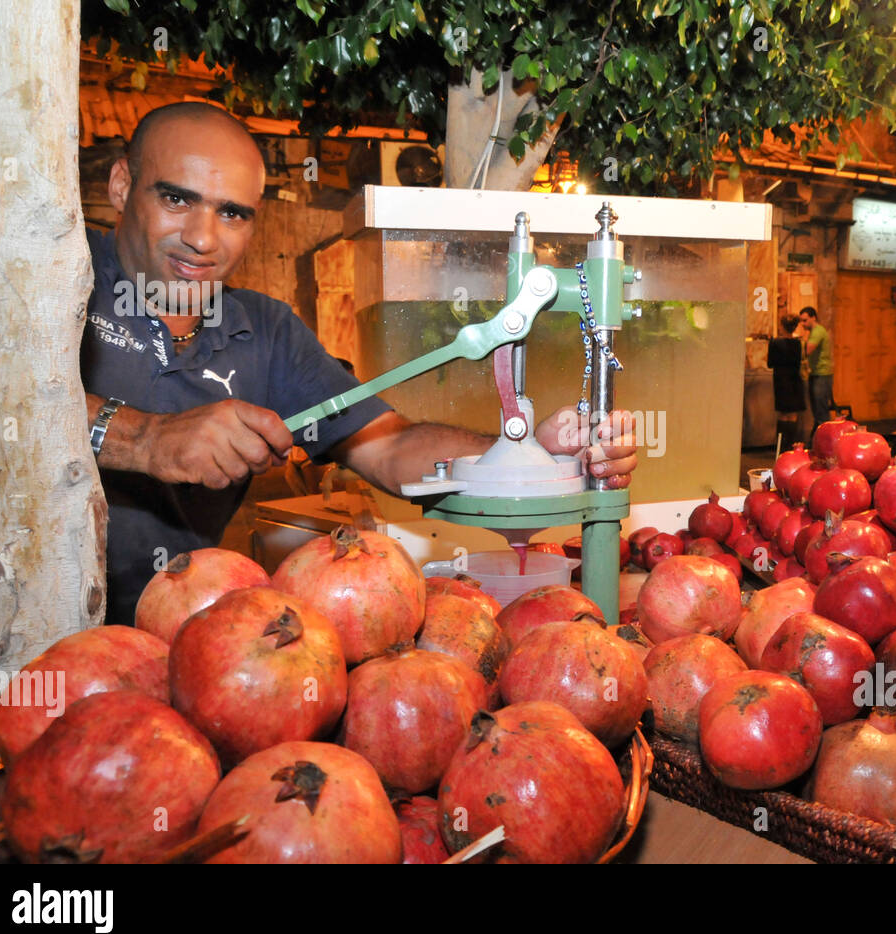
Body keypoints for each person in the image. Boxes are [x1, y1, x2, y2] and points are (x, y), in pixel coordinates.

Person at [83, 102, 637, 625]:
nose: (203, 238)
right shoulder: (58, 271)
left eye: (231, 213)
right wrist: (144, 438)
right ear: (121, 186)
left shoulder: (264, 331)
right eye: (176, 199)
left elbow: (389, 447)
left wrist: (526, 455)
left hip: (181, 641)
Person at [766, 315, 806, 449]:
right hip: (795, 379)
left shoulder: (775, 342)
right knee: (793, 414)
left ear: (782, 326)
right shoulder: (797, 343)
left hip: (781, 380)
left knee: (783, 413)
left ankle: (780, 446)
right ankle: (791, 446)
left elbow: (770, 363)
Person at [799, 306, 834, 430]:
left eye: (805, 320)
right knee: (817, 411)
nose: (802, 324)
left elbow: (808, 350)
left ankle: (826, 442)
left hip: (822, 375)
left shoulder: (818, 331)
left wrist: (797, 343)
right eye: (801, 321)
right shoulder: (814, 332)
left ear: (813, 317)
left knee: (821, 412)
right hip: (817, 374)